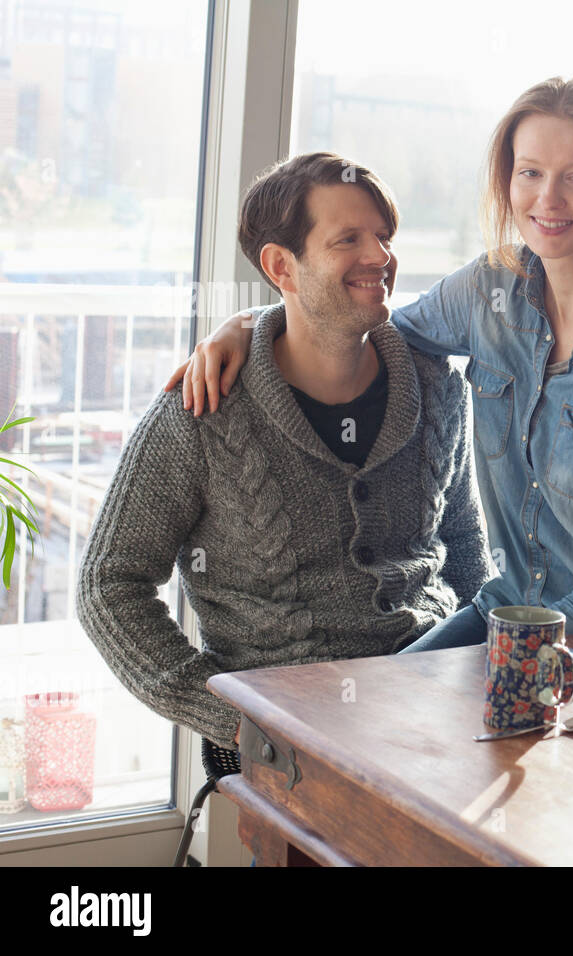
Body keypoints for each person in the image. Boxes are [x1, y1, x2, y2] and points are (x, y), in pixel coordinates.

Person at [167, 76, 573, 651]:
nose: (549, 200)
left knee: (415, 724)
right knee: (363, 716)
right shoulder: (493, 288)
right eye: (530, 173)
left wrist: (481, 676)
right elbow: (360, 322)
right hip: (514, 607)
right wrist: (248, 326)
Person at [80, 152, 492, 750]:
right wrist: (236, 719)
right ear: (282, 266)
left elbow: (463, 546)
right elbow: (108, 584)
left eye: (383, 237)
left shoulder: (434, 384)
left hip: (441, 702)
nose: (379, 257)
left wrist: (488, 671)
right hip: (297, 732)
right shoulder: (204, 413)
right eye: (348, 239)